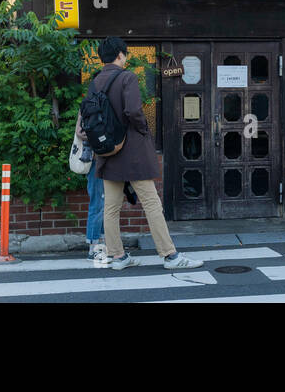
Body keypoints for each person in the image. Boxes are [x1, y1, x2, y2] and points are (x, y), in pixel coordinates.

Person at [92, 37, 202, 271]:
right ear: (120, 55)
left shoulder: (96, 80)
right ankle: (170, 256)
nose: (126, 57)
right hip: (131, 151)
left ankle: (118, 256)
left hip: (108, 151)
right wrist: (144, 130)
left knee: (110, 208)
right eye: (126, 54)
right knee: (152, 203)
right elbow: (133, 110)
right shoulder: (126, 77)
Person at [75, 111, 107, 266]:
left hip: (104, 160)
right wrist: (102, 137)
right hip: (95, 160)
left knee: (103, 203)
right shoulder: (90, 106)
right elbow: (80, 132)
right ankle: (93, 248)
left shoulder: (91, 104)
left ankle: (100, 245)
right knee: (98, 203)